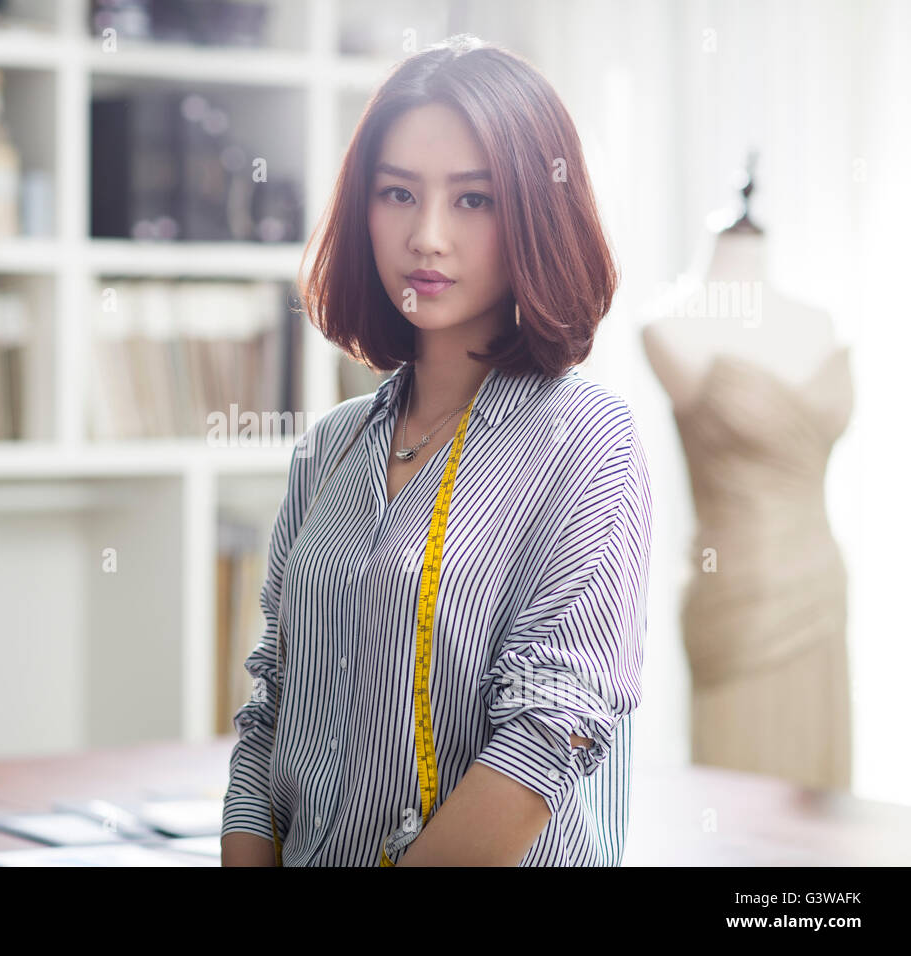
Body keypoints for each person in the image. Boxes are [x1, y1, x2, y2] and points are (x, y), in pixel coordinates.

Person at [221, 34, 652, 866]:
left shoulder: (586, 441)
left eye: (473, 200)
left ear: (535, 210)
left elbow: (551, 724)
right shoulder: (331, 449)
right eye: (396, 194)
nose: (425, 237)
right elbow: (269, 709)